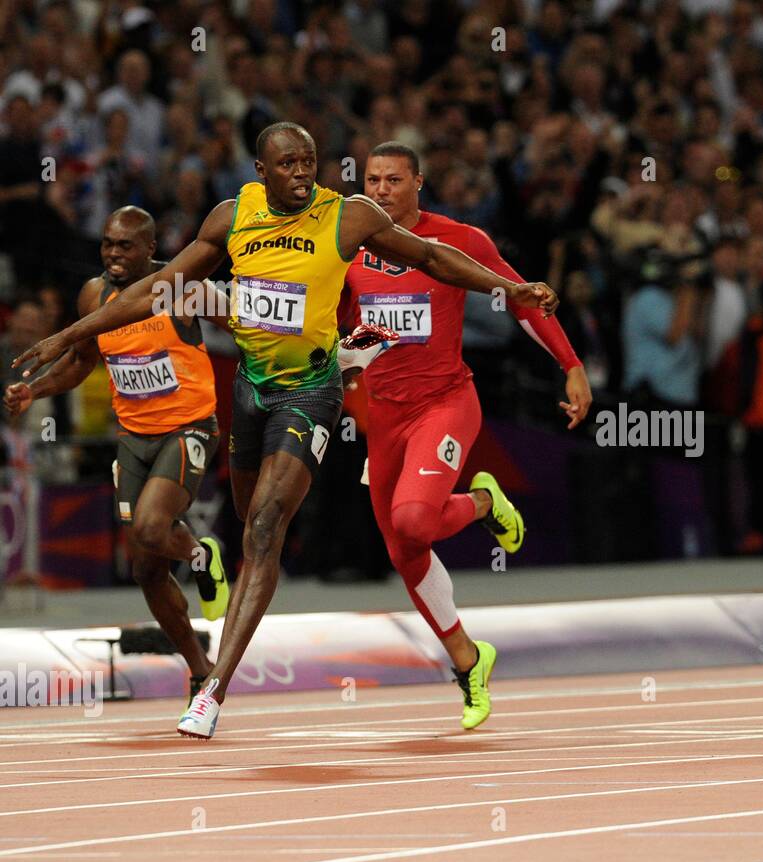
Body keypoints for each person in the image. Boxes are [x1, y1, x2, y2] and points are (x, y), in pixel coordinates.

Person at [12, 122, 558, 739]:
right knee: (250, 525)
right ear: (261, 170)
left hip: (312, 390)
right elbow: (160, 290)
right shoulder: (232, 216)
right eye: (289, 164)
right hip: (251, 390)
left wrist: (509, 287)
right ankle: (228, 616)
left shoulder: (347, 216)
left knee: (268, 528)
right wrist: (70, 334)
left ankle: (213, 688)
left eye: (310, 162)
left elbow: (434, 257)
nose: (302, 173)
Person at [338, 142, 589, 729]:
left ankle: (482, 501)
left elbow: (522, 301)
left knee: (414, 521)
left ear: (418, 182)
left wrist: (571, 365)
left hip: (445, 403)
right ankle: (468, 659)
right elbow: (328, 322)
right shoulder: (347, 245)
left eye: (393, 180)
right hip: (383, 415)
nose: (380, 190)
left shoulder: (461, 240)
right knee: (404, 551)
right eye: (372, 180)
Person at [4, 206, 226, 700]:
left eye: (125, 246)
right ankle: (198, 667)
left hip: (187, 427)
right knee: (146, 568)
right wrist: (32, 391)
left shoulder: (182, 289)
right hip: (133, 438)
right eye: (107, 244)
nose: (113, 254)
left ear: (151, 250)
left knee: (151, 527)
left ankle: (199, 553)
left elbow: (242, 325)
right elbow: (81, 362)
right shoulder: (93, 294)